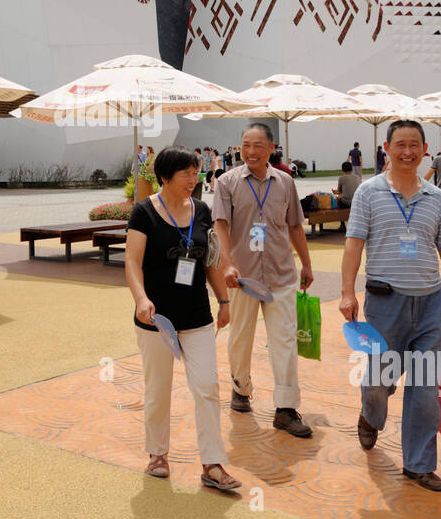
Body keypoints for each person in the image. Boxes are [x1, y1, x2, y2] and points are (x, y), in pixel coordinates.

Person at [339, 120, 441, 492]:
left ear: (425, 148)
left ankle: (418, 464)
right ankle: (370, 416)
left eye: (414, 144)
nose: (407, 151)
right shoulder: (368, 193)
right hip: (384, 305)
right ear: (387, 148)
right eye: (400, 144)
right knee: (380, 380)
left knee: (426, 387)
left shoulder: (436, 198)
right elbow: (353, 245)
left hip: (430, 305)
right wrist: (347, 292)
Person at [124, 144, 241, 492]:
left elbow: (210, 261)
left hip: (197, 316)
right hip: (156, 319)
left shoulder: (202, 211)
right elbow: (132, 262)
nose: (194, 179)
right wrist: (141, 299)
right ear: (164, 176)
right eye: (186, 173)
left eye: (196, 172)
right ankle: (157, 454)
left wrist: (223, 301)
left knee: (207, 387)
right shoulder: (144, 212)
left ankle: (212, 464)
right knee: (158, 390)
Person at [212, 122, 314, 437]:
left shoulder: (284, 182)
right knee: (240, 338)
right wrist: (227, 265)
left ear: (271, 148)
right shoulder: (226, 182)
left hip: (281, 274)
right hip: (241, 277)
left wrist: (306, 265)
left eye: (258, 145)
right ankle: (240, 388)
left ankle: (285, 408)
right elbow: (220, 226)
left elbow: (295, 226)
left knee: (284, 340)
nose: (251, 151)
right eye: (246, 145)